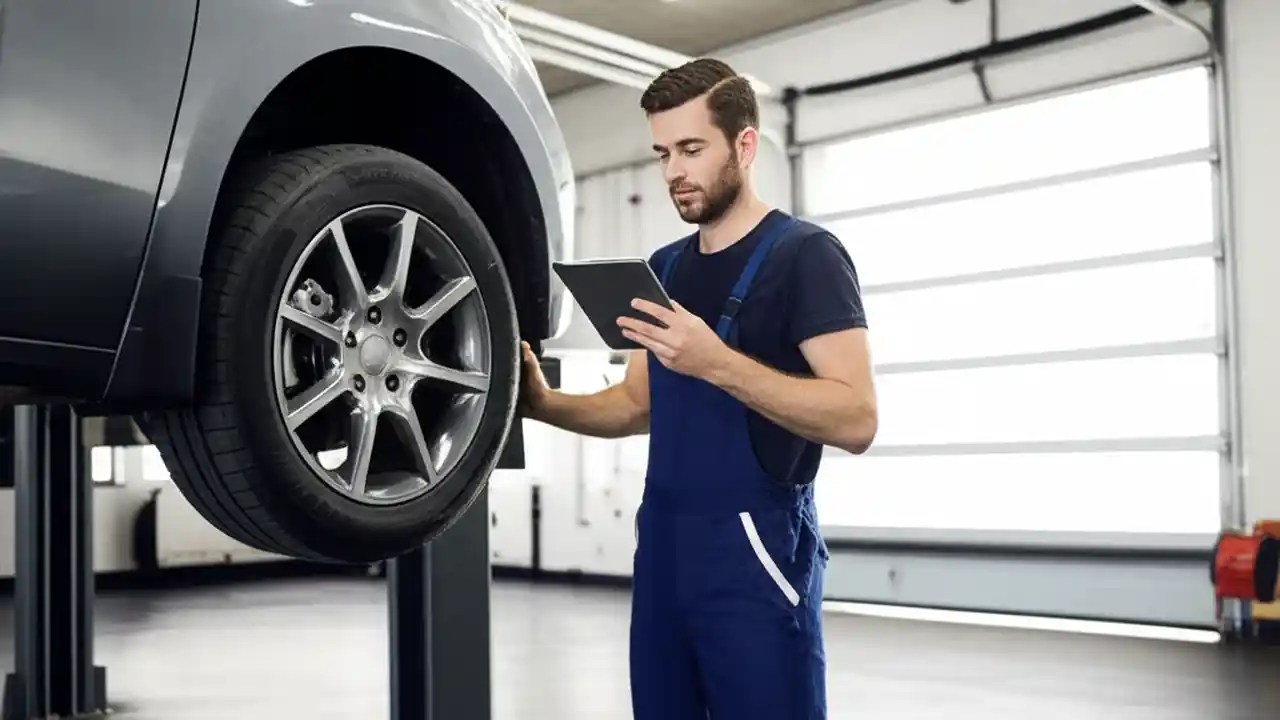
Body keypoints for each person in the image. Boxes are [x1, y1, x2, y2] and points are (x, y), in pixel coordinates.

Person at [519, 57, 878, 720]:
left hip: (755, 551)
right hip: (664, 551)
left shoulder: (807, 257)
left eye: (691, 149)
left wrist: (717, 362)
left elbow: (856, 418)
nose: (674, 173)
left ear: (744, 145)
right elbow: (636, 404)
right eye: (662, 154)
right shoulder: (664, 269)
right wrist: (543, 405)